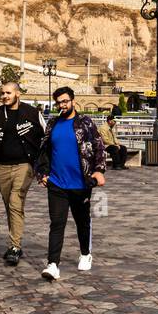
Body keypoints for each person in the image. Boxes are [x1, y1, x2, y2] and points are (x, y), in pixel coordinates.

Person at [36, 86, 106, 282]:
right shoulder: (52, 124)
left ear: (73, 101)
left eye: (65, 101)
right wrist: (42, 173)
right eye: (58, 102)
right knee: (57, 223)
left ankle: (85, 253)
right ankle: (53, 265)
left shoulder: (85, 123)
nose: (62, 105)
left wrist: (99, 170)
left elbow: (99, 146)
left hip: (80, 183)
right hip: (57, 183)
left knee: (82, 221)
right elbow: (43, 151)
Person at [0, 81, 45, 265]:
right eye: (2, 93)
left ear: (18, 94)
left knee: (15, 202)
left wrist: (43, 166)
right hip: (1, 167)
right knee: (10, 205)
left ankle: (14, 247)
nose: (5, 96)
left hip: (24, 166)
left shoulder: (32, 114)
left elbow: (45, 139)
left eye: (8, 93)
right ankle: (15, 242)